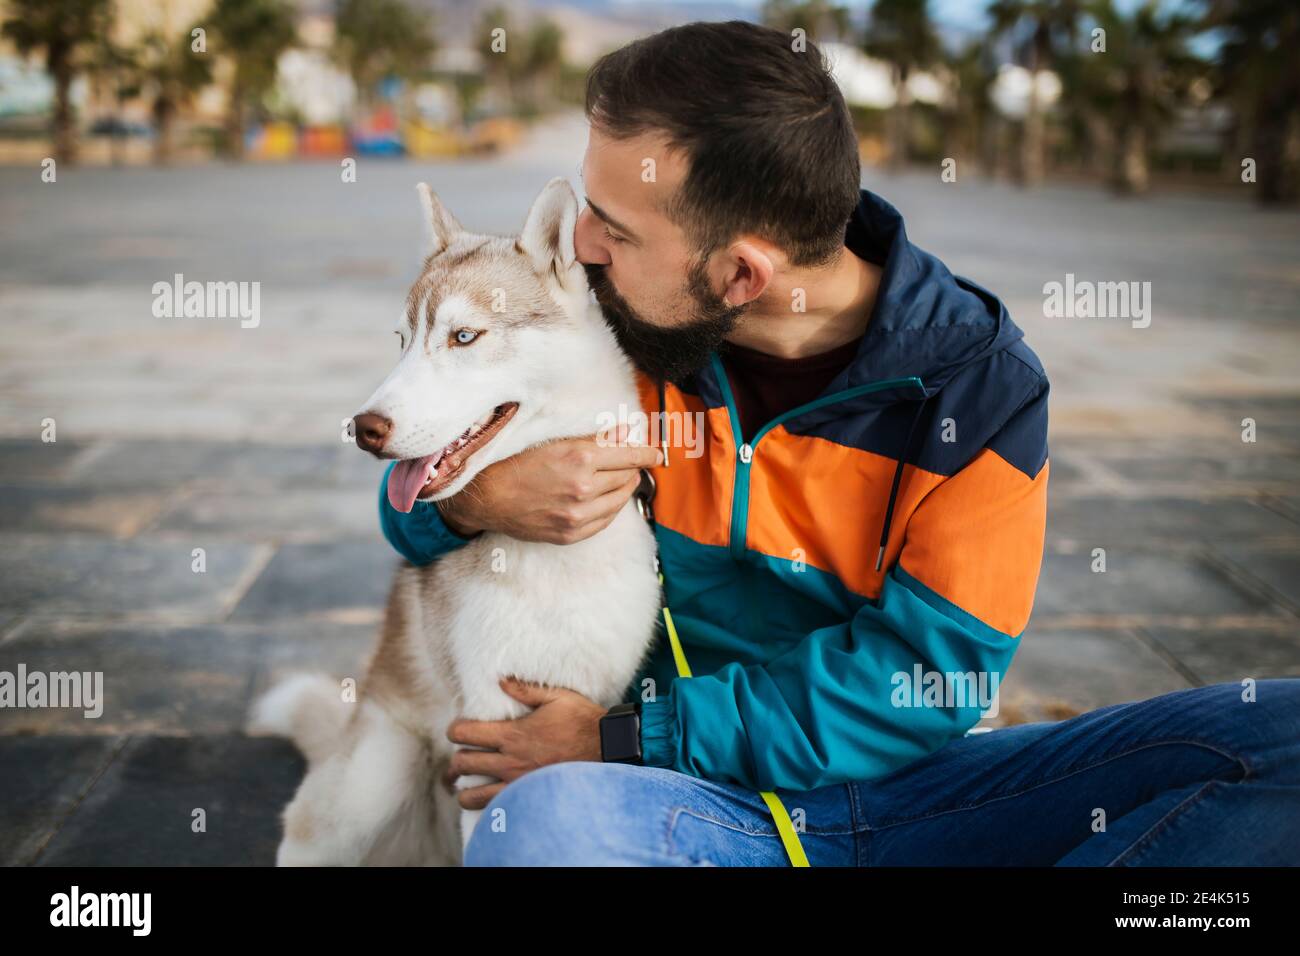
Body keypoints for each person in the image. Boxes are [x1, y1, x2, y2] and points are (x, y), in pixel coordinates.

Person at [378, 21, 1300, 866]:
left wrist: (622, 735)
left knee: (1283, 737)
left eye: (613, 228)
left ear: (742, 273)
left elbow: (929, 680)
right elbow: (416, 475)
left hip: (924, 796)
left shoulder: (981, 389)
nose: (579, 247)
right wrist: (476, 500)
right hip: (690, 812)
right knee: (535, 830)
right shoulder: (624, 336)